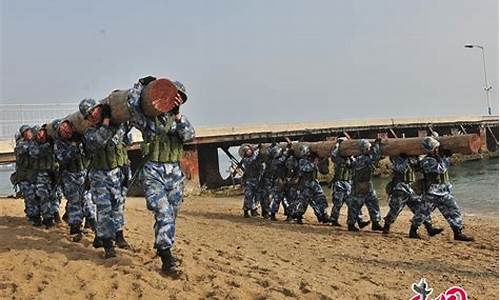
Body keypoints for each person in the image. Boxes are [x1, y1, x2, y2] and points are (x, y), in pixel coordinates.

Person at [127, 76, 195, 273]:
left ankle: (164, 247)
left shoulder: (181, 120)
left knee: (171, 215)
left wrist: (178, 115)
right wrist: (139, 86)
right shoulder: (149, 120)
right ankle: (166, 257)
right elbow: (133, 108)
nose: (175, 100)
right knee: (163, 211)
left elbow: (188, 136)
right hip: (153, 171)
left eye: (179, 98)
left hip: (174, 173)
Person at [80, 98, 131, 258]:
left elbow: (126, 141)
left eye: (92, 111)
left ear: (99, 108)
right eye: (88, 115)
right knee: (104, 209)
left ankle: (119, 235)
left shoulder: (118, 127)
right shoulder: (89, 133)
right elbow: (99, 140)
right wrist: (107, 120)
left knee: (118, 206)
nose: (91, 115)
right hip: (99, 176)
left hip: (117, 172)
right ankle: (108, 244)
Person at [410, 137, 474, 241]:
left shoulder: (438, 157)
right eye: (436, 148)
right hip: (432, 192)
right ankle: (413, 231)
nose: (437, 149)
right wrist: (445, 158)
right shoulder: (427, 161)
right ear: (432, 149)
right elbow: (441, 169)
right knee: (422, 213)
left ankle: (458, 233)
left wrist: (445, 156)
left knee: (454, 211)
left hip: (444, 191)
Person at [382, 154, 443, 237]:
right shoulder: (397, 158)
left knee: (421, 208)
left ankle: (429, 228)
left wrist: (422, 157)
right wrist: (406, 159)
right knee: (395, 209)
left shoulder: (412, 158)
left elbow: (419, 167)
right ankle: (386, 226)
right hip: (400, 188)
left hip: (411, 188)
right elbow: (400, 169)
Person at [54, 119, 94, 241]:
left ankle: (90, 223)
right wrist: (73, 146)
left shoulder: (80, 139)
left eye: (67, 127)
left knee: (88, 201)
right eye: (62, 129)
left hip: (84, 173)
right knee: (74, 202)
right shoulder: (59, 144)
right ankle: (75, 228)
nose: (66, 131)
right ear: (59, 132)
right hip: (69, 175)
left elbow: (90, 153)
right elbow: (63, 158)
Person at [329, 138, 370, 228]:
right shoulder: (339, 159)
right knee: (338, 203)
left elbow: (356, 163)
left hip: (349, 183)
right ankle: (334, 219)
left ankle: (359, 220)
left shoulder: (351, 160)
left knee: (353, 203)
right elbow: (333, 155)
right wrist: (337, 145)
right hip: (339, 183)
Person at [347, 139, 384, 232]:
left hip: (366, 184)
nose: (369, 149)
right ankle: (351, 224)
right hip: (360, 186)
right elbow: (376, 156)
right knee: (356, 205)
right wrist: (376, 145)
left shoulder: (357, 158)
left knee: (373, 203)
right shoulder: (363, 159)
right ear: (363, 149)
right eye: (368, 148)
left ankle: (375, 222)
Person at [29, 124, 58, 228]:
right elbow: (36, 153)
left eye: (42, 132)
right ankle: (47, 219)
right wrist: (48, 144)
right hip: (39, 176)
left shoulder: (51, 142)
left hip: (51, 174)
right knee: (43, 197)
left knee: (52, 197)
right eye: (39, 133)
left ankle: (53, 215)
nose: (41, 134)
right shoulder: (33, 145)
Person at [293, 144, 329, 224]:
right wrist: (314, 163)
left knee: (321, 197)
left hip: (314, 182)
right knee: (304, 201)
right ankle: (298, 215)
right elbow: (306, 169)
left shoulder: (311, 159)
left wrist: (322, 160)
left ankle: (324, 215)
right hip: (306, 183)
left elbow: (323, 170)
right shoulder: (302, 161)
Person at [14, 125, 41, 226]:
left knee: (36, 197)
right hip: (24, 177)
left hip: (32, 176)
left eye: (29, 131)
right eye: (25, 132)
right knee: (30, 198)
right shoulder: (21, 145)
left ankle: (35, 215)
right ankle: (34, 217)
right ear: (22, 135)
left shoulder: (33, 142)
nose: (28, 133)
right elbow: (33, 151)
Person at [269, 144, 292, 221]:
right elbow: (283, 158)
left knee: (285, 199)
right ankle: (273, 214)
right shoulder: (276, 161)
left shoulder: (273, 161)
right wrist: (287, 150)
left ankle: (288, 215)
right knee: (278, 199)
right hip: (279, 182)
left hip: (282, 181)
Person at [240, 144, 262, 218]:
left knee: (257, 197)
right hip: (249, 181)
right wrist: (257, 150)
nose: (248, 152)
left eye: (249, 150)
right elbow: (252, 160)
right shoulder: (245, 160)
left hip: (257, 180)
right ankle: (246, 211)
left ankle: (254, 210)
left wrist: (258, 147)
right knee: (248, 196)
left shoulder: (254, 156)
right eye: (246, 151)